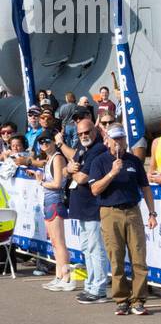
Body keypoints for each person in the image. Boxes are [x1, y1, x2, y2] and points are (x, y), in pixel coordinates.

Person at [87, 123, 158, 316]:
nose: (118, 142)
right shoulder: (99, 161)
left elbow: (145, 188)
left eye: (121, 138)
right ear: (107, 140)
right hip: (110, 212)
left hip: (132, 210)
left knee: (138, 257)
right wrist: (112, 173)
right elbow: (95, 190)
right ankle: (121, 299)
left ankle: (138, 300)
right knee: (116, 257)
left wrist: (152, 213)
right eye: (115, 138)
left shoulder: (134, 161)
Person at [60, 108, 110, 303]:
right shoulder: (82, 148)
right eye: (80, 133)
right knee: (87, 248)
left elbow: (81, 177)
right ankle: (90, 285)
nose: (83, 136)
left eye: (86, 132)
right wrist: (68, 169)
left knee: (96, 249)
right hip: (80, 207)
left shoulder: (97, 150)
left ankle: (99, 289)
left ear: (95, 132)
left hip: (92, 207)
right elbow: (68, 168)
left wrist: (70, 171)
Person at [34, 129, 74, 289]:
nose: (44, 144)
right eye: (41, 142)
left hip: (56, 202)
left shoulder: (57, 158)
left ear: (53, 142)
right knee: (54, 242)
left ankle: (67, 278)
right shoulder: (50, 158)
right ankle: (59, 276)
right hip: (49, 202)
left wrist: (41, 182)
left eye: (47, 141)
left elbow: (57, 184)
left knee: (59, 242)